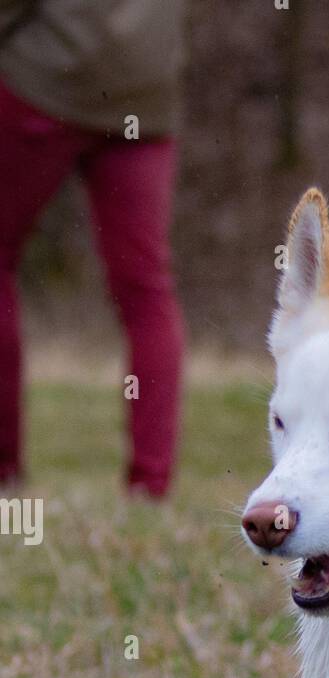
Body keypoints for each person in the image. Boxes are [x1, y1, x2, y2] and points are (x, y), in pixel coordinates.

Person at [0, 1, 186, 497]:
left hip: (44, 77)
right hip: (145, 87)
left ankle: (5, 473)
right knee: (147, 292)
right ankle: (151, 485)